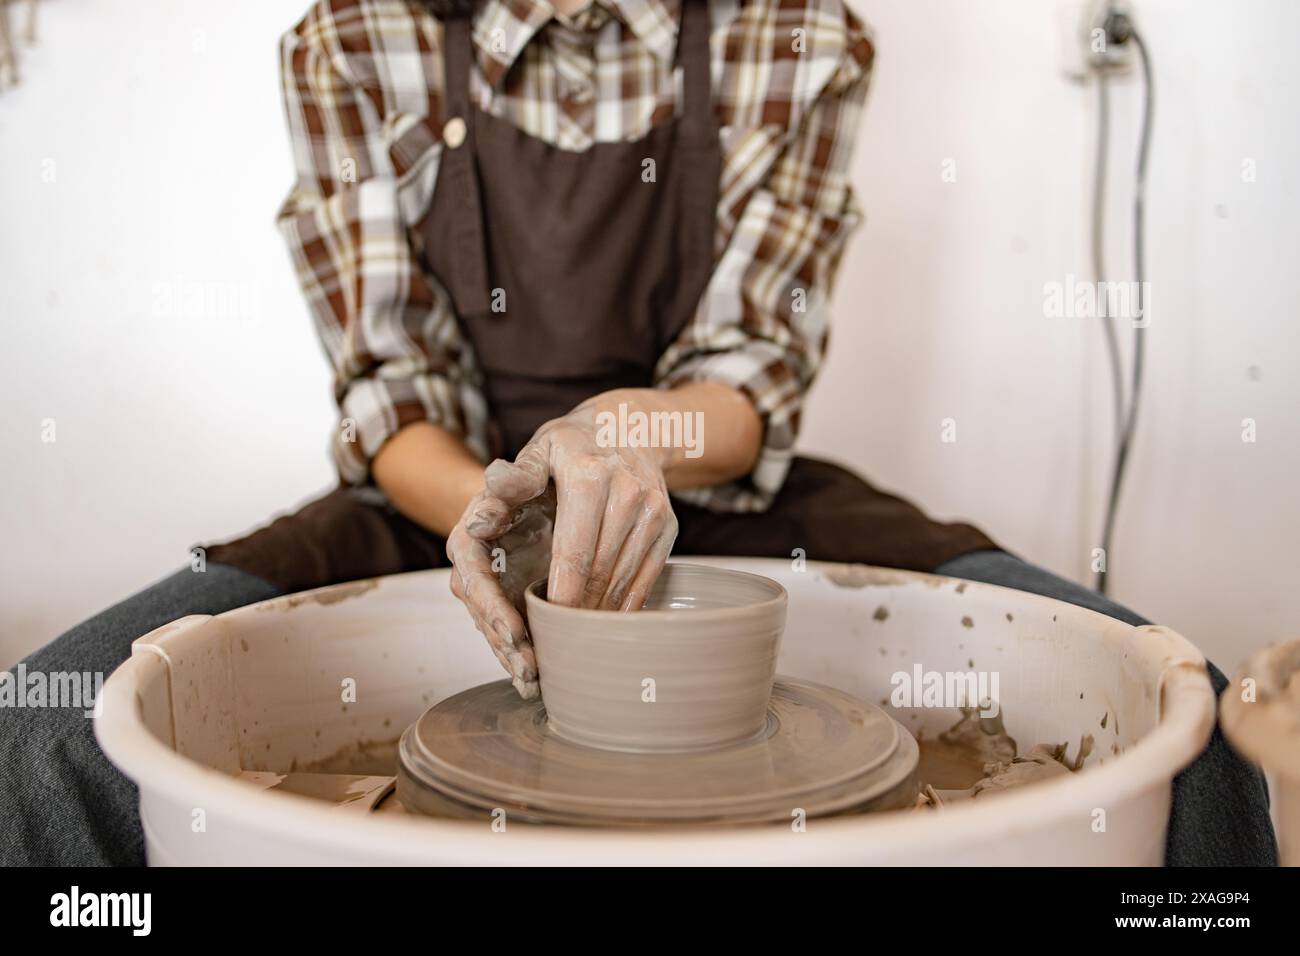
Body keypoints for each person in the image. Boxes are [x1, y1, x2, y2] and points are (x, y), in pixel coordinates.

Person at [0, 0, 1275, 866]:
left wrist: (615, 439)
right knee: (44, 733)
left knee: (1199, 728)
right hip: (445, 495)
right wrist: (505, 503)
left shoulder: (796, 30)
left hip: (721, 480)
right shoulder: (353, 33)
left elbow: (745, 381)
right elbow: (386, 390)